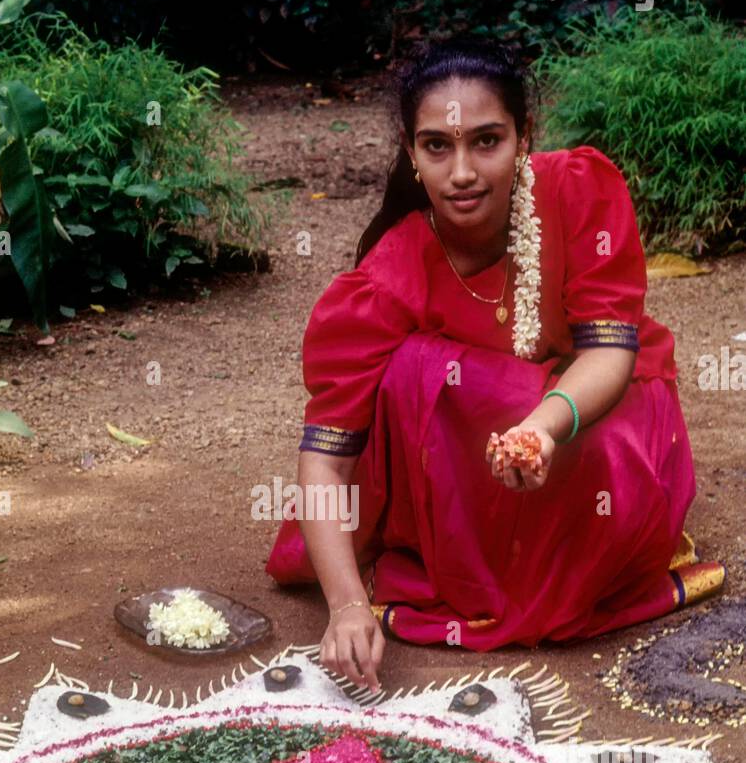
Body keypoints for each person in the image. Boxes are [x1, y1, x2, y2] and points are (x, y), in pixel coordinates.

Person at [264, 38, 724, 691]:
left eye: (486, 141)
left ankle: (571, 556)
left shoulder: (580, 191)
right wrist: (345, 606)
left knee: (592, 427)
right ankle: (492, 566)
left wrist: (542, 428)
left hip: (595, 424)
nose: (462, 172)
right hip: (471, 477)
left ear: (524, 135)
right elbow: (327, 456)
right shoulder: (386, 279)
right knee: (413, 373)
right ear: (409, 152)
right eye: (437, 147)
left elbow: (608, 352)